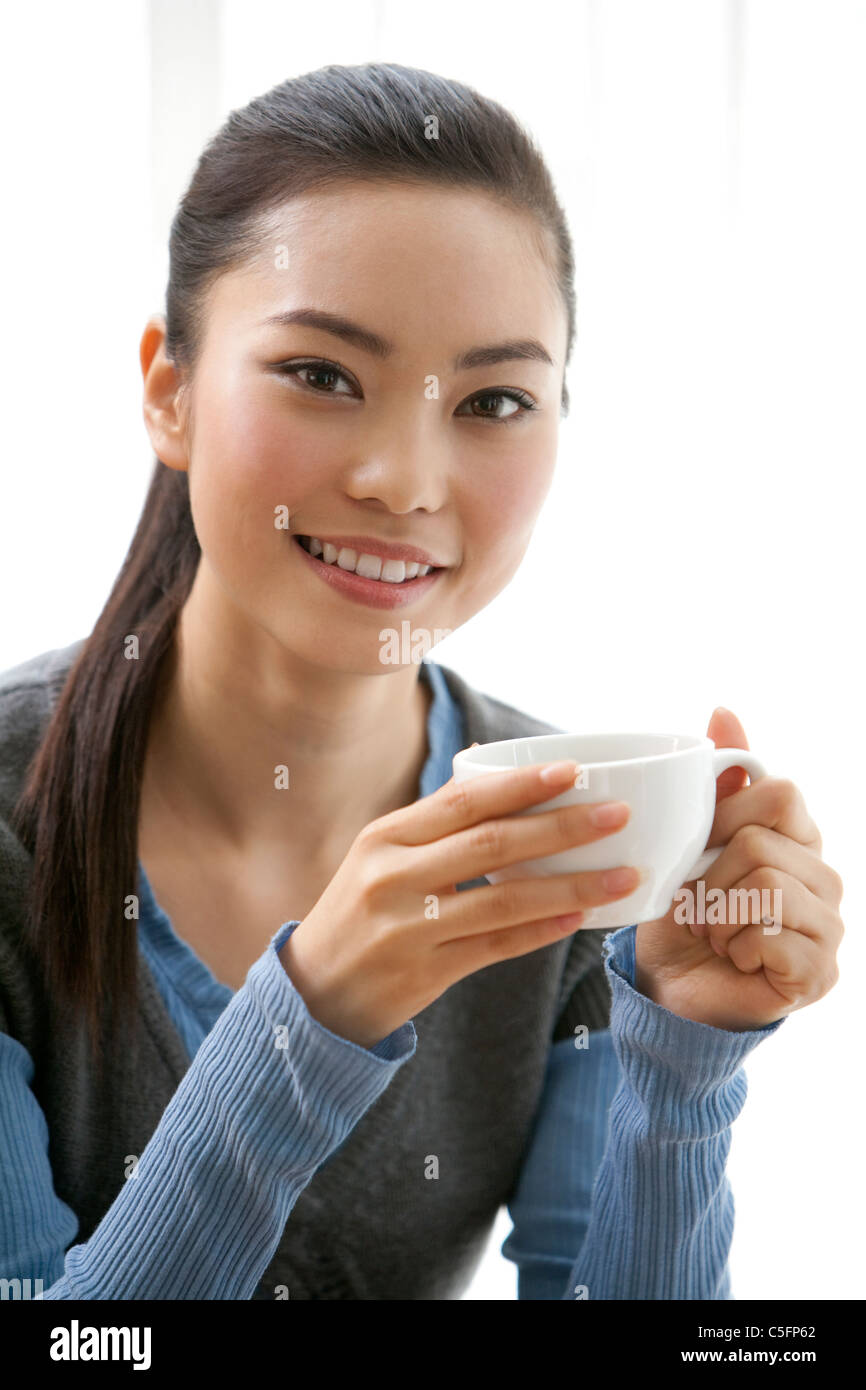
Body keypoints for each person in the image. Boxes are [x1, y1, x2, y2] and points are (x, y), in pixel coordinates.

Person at [0, 62, 844, 1302]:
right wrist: (313, 1019)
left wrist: (684, 1056)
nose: (404, 478)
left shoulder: (574, 846)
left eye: (494, 398)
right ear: (168, 388)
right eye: (323, 374)